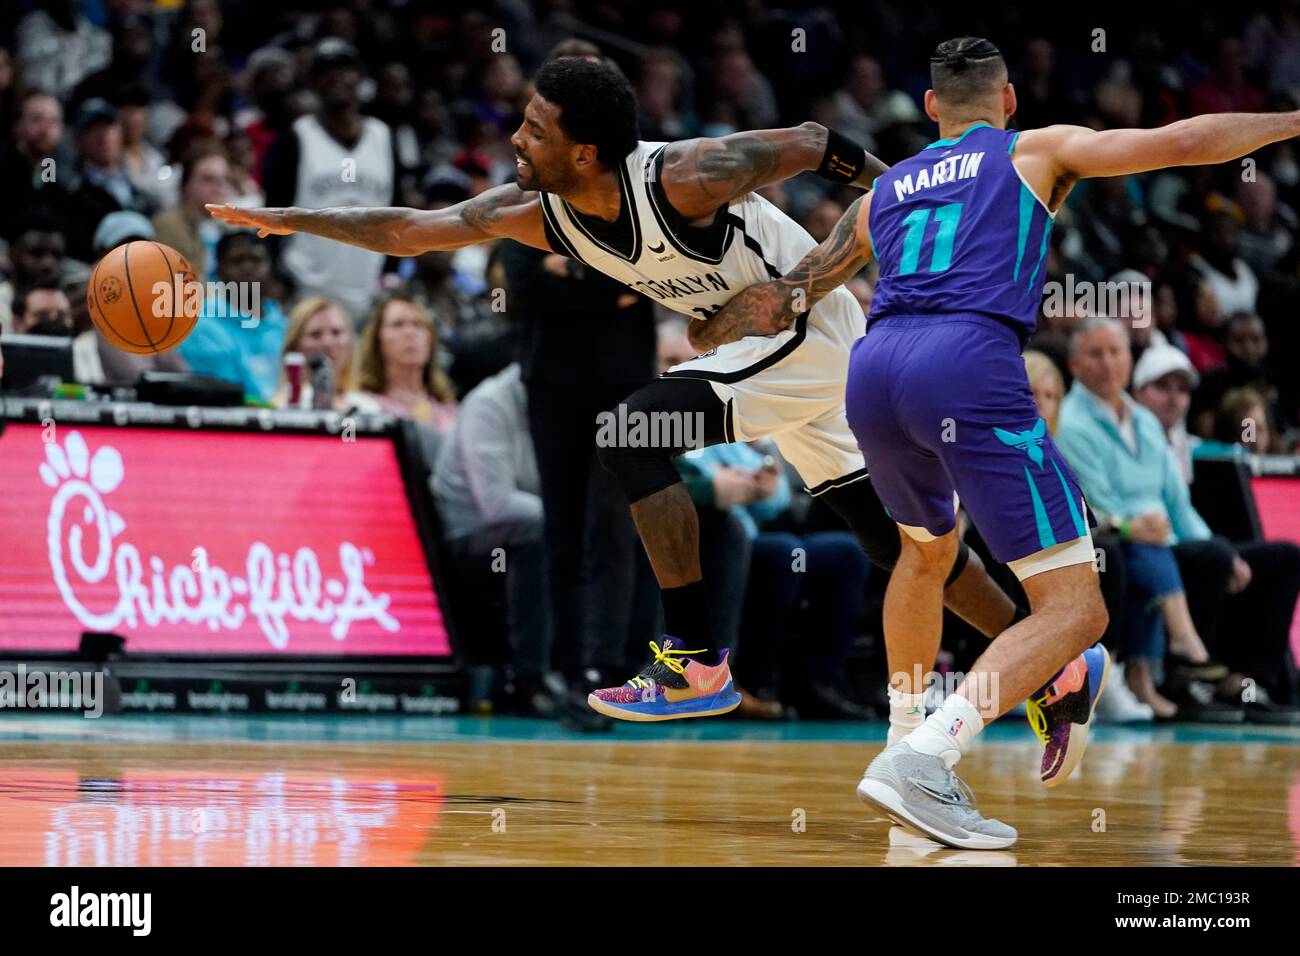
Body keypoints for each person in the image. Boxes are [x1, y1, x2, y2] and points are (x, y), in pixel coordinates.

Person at [209, 56, 1028, 735]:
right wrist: (289, 218)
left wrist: (916, 197)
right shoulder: (539, 213)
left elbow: (814, 142)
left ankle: (697, 658)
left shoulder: (686, 176)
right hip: (784, 360)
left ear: (589, 152)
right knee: (906, 550)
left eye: (536, 128)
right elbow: (409, 229)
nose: (517, 137)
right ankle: (1051, 658)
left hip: (800, 328)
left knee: (632, 434)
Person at [706, 35, 1300, 847]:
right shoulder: (1037, 149)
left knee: (923, 554)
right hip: (967, 362)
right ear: (1009, 99)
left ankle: (900, 739)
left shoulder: (887, 189)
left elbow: (790, 294)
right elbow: (1185, 142)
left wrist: (703, 318)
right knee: (1079, 606)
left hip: (874, 371)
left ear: (929, 110)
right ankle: (927, 757)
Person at [179, 231, 286, 403]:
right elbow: (229, 395)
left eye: (256, 260)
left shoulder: (285, 325)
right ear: (219, 269)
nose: (248, 268)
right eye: (237, 260)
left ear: (271, 267)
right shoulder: (200, 324)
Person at [355, 293, 459, 432]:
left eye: (418, 324)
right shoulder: (363, 406)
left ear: (430, 339)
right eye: (398, 324)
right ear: (377, 340)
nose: (410, 332)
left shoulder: (449, 407)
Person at [273, 296, 379, 413]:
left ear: (351, 345)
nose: (327, 343)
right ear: (294, 349)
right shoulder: (281, 409)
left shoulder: (368, 408)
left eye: (336, 333)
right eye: (315, 334)